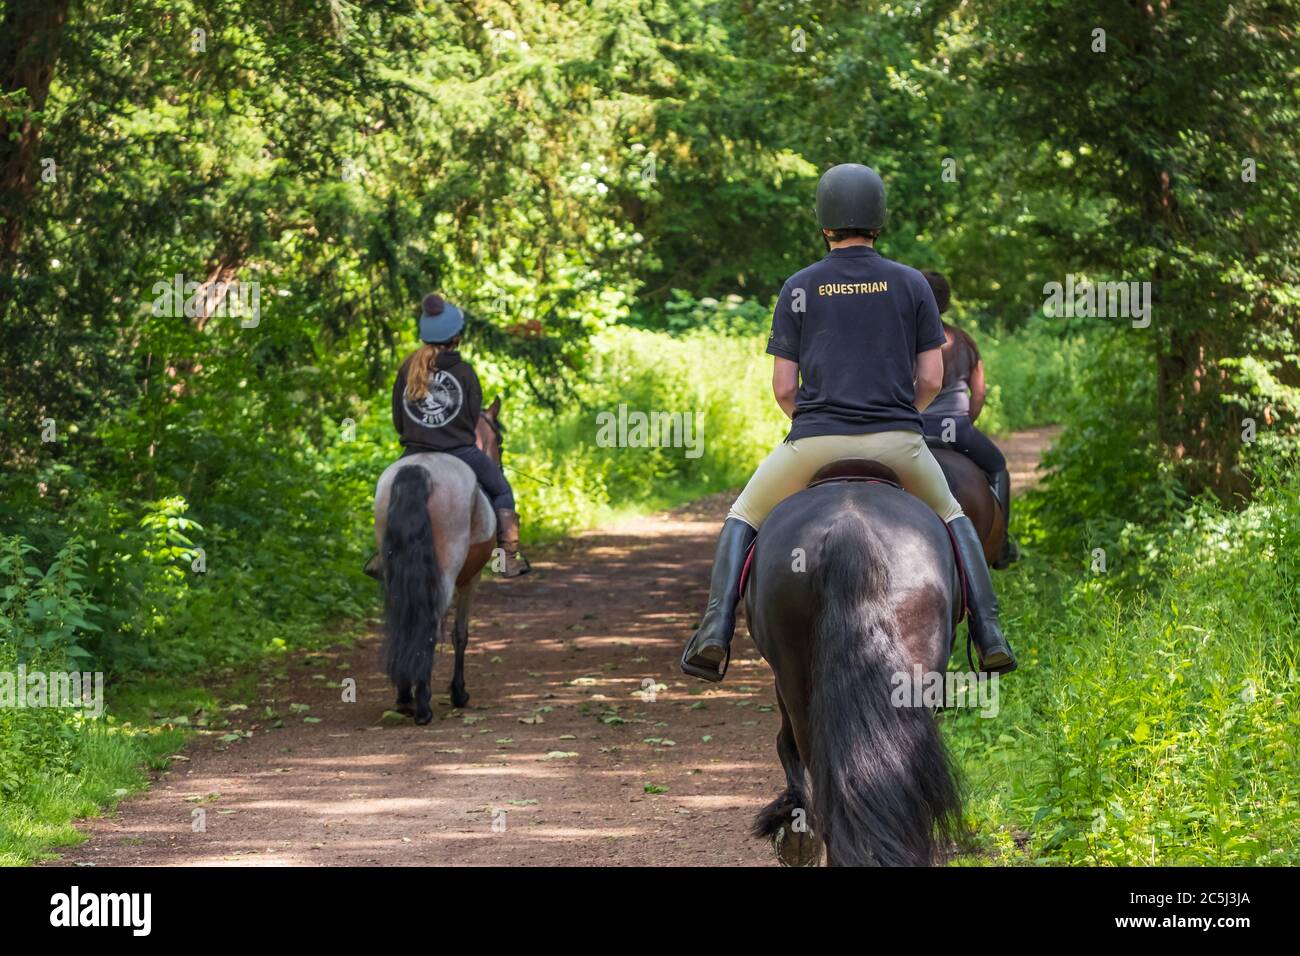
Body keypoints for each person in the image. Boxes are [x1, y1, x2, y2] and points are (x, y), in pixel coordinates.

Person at [679, 163, 1015, 682]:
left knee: (742, 516)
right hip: (898, 442)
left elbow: (784, 389)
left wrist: (813, 422)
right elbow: (929, 377)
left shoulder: (799, 286)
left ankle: (714, 631)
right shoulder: (910, 284)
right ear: (879, 221)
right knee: (953, 517)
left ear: (824, 223)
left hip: (814, 443)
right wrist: (902, 414)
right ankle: (989, 633)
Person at [392, 293, 530, 577]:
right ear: (456, 336)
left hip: (414, 451)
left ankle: (386, 556)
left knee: (390, 492)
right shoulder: (464, 372)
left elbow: (398, 418)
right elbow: (470, 421)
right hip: (458, 450)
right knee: (502, 490)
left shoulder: (407, 369)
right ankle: (507, 558)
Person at [919, 270, 1018, 568]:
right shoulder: (964, 341)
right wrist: (967, 423)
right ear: (946, 303)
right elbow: (978, 394)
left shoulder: (902, 339)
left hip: (914, 428)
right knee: (998, 467)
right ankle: (1001, 544)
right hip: (958, 429)